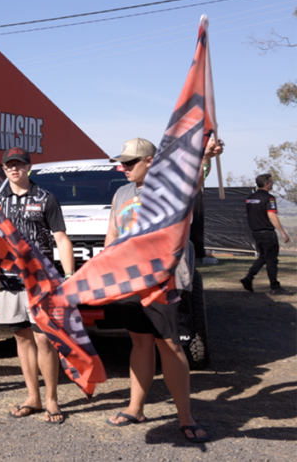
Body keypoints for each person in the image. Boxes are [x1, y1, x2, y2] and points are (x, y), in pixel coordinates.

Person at [103, 137, 220, 444]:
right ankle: (135, 408)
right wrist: (106, 271)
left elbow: (193, 181)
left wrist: (204, 157)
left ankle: (185, 417)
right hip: (131, 283)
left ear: (151, 161)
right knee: (140, 343)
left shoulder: (170, 189)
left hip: (166, 283)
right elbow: (113, 234)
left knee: (170, 346)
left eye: (130, 162)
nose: (123, 167)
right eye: (122, 162)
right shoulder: (121, 193)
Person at [0, 147, 74, 423]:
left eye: (19, 164)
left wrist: (68, 276)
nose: (14, 169)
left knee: (44, 339)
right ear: (4, 169)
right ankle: (32, 397)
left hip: (41, 282)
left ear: (28, 167)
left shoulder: (46, 198)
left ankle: (52, 400)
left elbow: (61, 239)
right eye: (9, 165)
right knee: (21, 338)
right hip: (9, 282)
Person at [241, 173, 292, 295]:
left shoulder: (250, 198)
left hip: (255, 232)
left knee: (263, 257)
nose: (273, 183)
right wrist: (283, 232)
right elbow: (271, 215)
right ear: (266, 183)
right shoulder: (269, 198)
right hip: (267, 233)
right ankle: (275, 287)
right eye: (271, 181)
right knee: (271, 260)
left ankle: (248, 278)